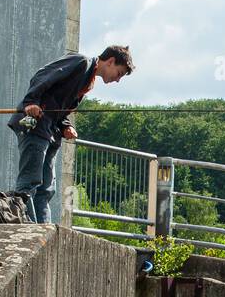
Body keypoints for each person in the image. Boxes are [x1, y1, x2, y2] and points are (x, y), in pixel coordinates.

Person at [8, 45, 135, 224]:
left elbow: (59, 105)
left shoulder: (88, 80)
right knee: (29, 183)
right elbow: (43, 75)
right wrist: (31, 102)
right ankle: (28, 231)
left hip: (51, 132)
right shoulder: (81, 62)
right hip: (35, 126)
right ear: (111, 61)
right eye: (119, 73)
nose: (117, 80)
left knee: (46, 189)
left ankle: (45, 233)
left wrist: (65, 125)